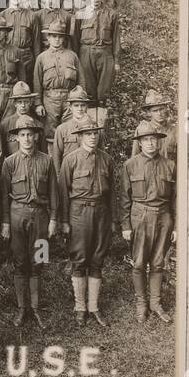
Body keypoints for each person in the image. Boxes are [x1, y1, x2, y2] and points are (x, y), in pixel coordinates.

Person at [58, 115, 120, 327]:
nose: (92, 137)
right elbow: (63, 193)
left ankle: (93, 306)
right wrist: (64, 221)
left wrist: (113, 220)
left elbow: (112, 193)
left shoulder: (107, 159)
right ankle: (80, 307)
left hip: (102, 213)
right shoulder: (71, 160)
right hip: (79, 212)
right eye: (88, 133)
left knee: (97, 258)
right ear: (81, 136)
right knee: (80, 257)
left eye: (95, 133)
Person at [0, 116, 57, 328]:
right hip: (17, 217)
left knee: (39, 260)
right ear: (16, 137)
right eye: (22, 135)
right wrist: (5, 223)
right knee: (20, 261)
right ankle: (22, 308)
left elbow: (53, 193)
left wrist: (53, 220)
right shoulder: (9, 163)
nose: (26, 139)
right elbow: (4, 196)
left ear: (36, 136)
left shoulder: (47, 161)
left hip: (41, 217)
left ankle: (36, 307)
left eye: (30, 134)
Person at [121, 120, 176, 324]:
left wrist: (176, 226)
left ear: (159, 142)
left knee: (158, 262)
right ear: (140, 143)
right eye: (146, 140)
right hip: (140, 216)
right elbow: (124, 198)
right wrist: (126, 226)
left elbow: (175, 199)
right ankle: (141, 303)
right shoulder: (130, 165)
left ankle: (155, 302)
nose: (150, 143)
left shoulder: (170, 166)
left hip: (163, 217)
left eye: (153, 139)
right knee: (138, 262)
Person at [76, 0, 121, 114]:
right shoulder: (80, 14)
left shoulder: (112, 14)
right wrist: (76, 59)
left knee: (103, 91)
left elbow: (116, 39)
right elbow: (75, 38)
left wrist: (116, 61)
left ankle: (101, 124)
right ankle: (89, 124)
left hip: (105, 53)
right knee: (88, 88)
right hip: (86, 53)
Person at [34, 18, 82, 139]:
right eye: (53, 36)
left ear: (64, 39)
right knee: (50, 132)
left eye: (60, 37)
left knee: (70, 131)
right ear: (48, 38)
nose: (57, 39)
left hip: (69, 98)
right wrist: (38, 104)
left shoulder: (72, 56)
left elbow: (81, 80)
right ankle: (52, 157)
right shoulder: (41, 58)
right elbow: (37, 82)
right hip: (49, 99)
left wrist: (80, 100)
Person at [133, 90, 177, 164]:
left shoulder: (175, 131)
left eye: (161, 109)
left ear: (166, 109)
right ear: (149, 113)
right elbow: (135, 158)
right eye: (155, 111)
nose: (159, 113)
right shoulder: (142, 130)